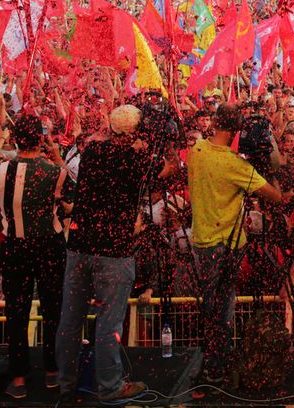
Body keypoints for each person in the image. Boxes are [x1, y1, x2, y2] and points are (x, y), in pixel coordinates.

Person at [54, 104, 171, 403]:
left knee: (71, 317)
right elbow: (168, 171)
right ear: (134, 132)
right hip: (114, 251)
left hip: (79, 246)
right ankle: (110, 386)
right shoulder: (136, 158)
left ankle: (65, 383)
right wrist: (161, 149)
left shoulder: (93, 152)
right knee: (109, 321)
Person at [187, 103, 285, 384]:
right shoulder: (234, 165)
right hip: (227, 246)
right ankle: (219, 364)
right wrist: (270, 165)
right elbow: (276, 197)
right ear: (235, 130)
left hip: (201, 241)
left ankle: (210, 359)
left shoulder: (197, 150)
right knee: (224, 306)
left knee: (209, 304)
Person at [0, 114, 69, 400]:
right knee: (52, 307)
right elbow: (72, 198)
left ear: (16, 139)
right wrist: (57, 158)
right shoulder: (54, 171)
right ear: (41, 138)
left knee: (16, 311)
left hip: (15, 246)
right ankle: (53, 372)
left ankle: (18, 378)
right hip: (48, 246)